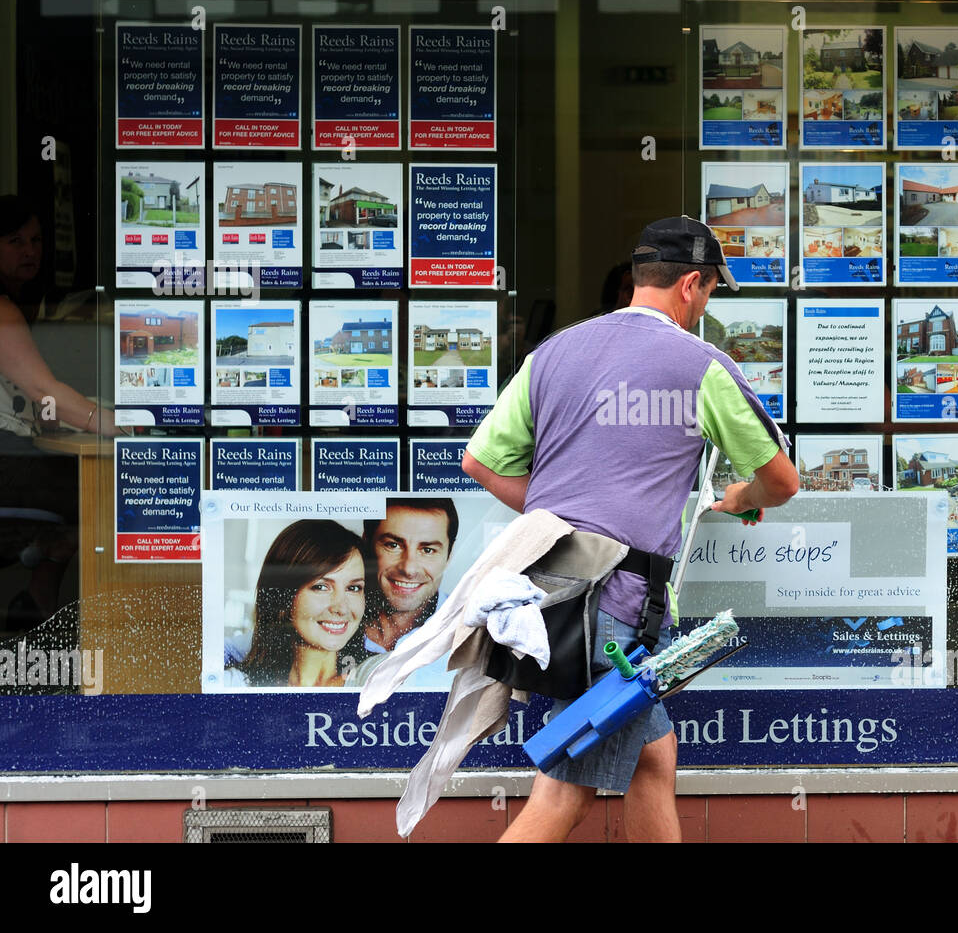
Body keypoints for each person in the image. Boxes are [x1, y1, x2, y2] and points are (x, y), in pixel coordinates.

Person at [463, 215, 800, 842]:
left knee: (652, 758)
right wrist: (739, 496)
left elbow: (479, 462)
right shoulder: (702, 366)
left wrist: (561, 523)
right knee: (564, 793)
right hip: (614, 610)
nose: (706, 305)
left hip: (551, 600)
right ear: (691, 284)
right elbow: (781, 482)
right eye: (710, 292)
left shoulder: (553, 352)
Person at [0, 196, 113, 628]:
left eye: (36, 240)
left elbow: (32, 396)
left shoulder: (16, 306)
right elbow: (42, 387)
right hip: (7, 465)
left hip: (13, 453)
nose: (29, 251)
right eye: (14, 241)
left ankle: (38, 601)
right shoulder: (3, 310)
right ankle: (50, 604)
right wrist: (114, 424)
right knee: (100, 489)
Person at [227, 519, 366, 688]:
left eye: (353, 588)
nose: (341, 608)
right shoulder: (235, 685)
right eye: (321, 587)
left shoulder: (380, 681)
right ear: (283, 596)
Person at [338, 497, 459, 669]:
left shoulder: (470, 633)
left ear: (449, 554)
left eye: (427, 550)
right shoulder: (330, 620)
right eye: (393, 545)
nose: (409, 569)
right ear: (366, 543)